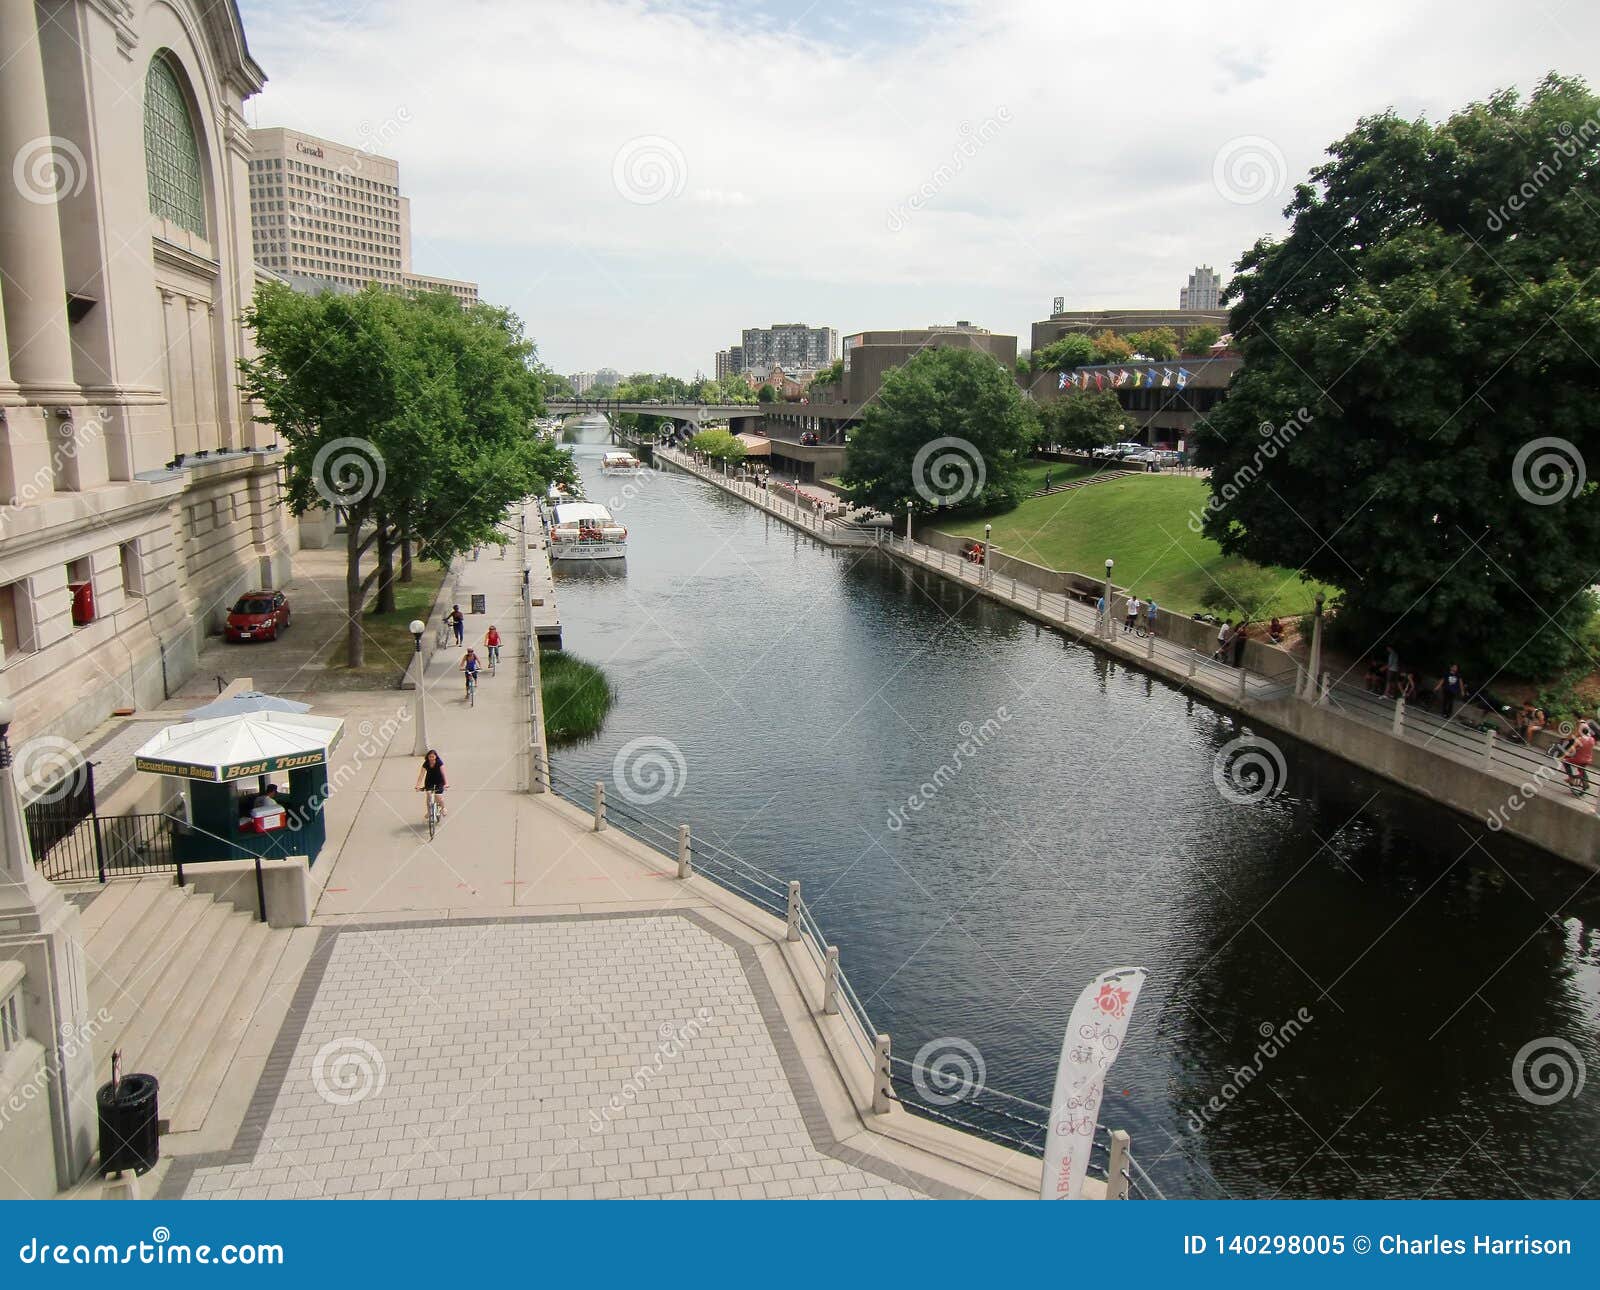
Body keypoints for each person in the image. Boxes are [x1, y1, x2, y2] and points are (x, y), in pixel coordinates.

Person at [1562, 721, 1595, 793]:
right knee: (1581, 769)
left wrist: (1563, 756)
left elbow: (1572, 749)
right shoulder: (1592, 739)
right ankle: (1586, 782)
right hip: (1588, 759)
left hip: (1579, 759)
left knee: (1565, 761)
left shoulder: (1579, 739)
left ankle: (1571, 778)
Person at [415, 749, 447, 822]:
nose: (431, 758)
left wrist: (446, 783)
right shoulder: (426, 764)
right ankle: (429, 812)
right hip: (429, 781)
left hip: (439, 781)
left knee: (438, 796)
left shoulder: (439, 762)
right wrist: (418, 785)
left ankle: (443, 808)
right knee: (428, 794)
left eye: (433, 757)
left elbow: (443, 773)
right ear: (428, 757)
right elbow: (421, 775)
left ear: (436, 757)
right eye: (430, 757)